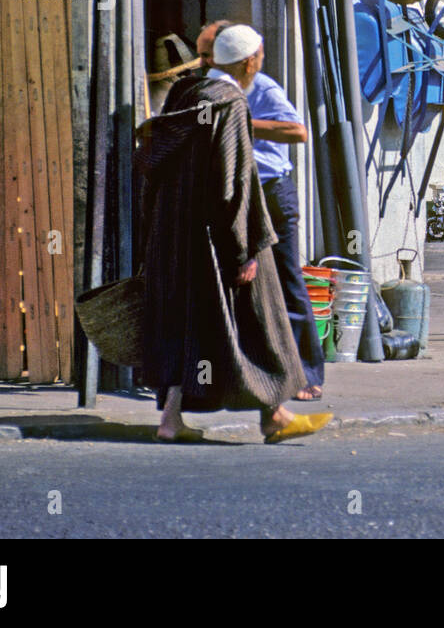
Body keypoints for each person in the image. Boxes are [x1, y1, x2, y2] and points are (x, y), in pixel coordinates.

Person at [134, 59, 331, 444]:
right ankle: (274, 415)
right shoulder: (232, 104)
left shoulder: (182, 95)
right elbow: (234, 185)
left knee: (193, 328)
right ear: (251, 61)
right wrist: (245, 250)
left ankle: (171, 420)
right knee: (261, 321)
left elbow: (153, 167)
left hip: (178, 239)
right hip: (218, 239)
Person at [208, 23, 323, 401]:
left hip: (271, 192)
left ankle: (305, 374)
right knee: (239, 282)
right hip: (239, 194)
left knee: (288, 281)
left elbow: (298, 132)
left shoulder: (262, 88)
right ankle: (255, 372)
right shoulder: (214, 91)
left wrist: (242, 122)